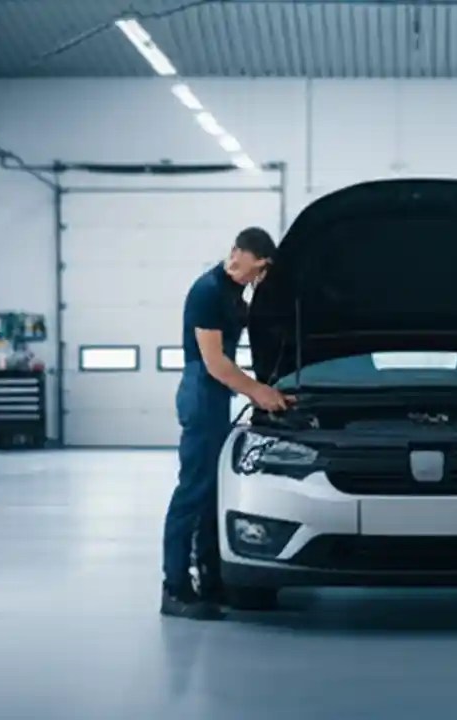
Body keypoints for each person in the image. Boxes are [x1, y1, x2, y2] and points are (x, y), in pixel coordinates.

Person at [161, 227, 293, 621]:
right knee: (193, 490)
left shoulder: (237, 291)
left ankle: (211, 580)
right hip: (203, 388)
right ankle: (174, 588)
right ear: (239, 253)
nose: (259, 275)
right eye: (259, 267)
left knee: (212, 493)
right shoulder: (207, 290)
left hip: (218, 391)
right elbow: (216, 362)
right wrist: (258, 392)